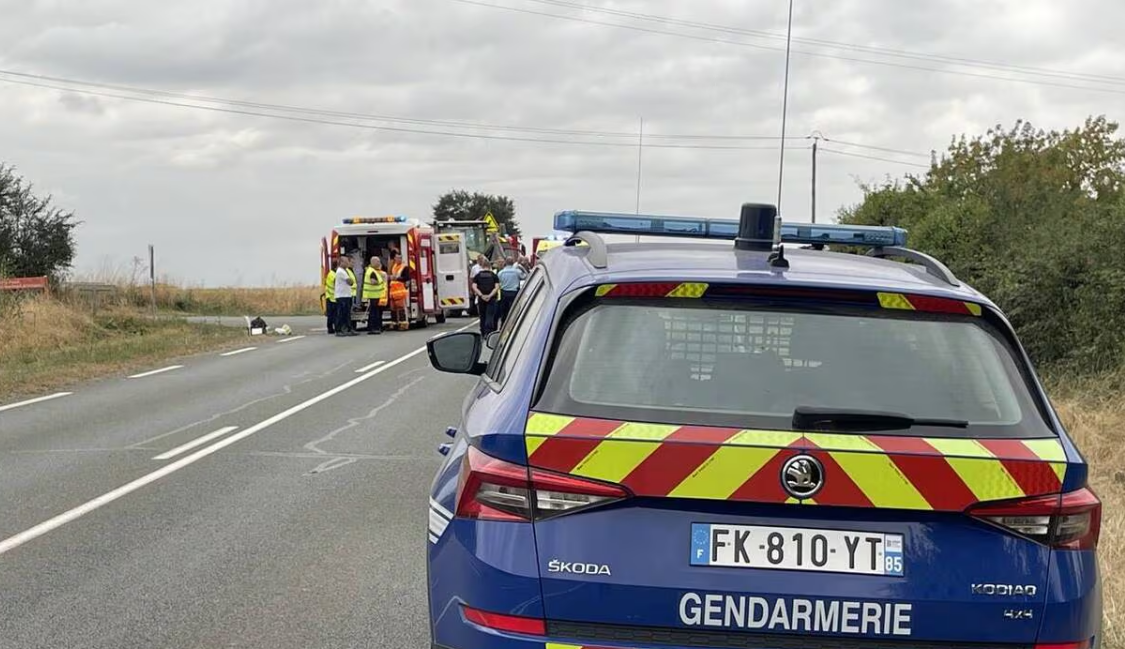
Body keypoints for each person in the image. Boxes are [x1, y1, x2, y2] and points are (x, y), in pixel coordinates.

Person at [472, 259, 500, 336]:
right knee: (490, 315)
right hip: (492, 298)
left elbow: (474, 287)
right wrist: (490, 295)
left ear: (482, 266)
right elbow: (496, 287)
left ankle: (483, 331)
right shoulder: (494, 275)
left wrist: (481, 295)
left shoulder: (477, 276)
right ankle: (489, 332)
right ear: (489, 266)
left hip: (481, 299)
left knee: (482, 315)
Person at [496, 256, 526, 328]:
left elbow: (498, 282)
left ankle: (503, 326)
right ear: (513, 263)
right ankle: (513, 326)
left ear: (505, 263)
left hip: (504, 293)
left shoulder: (501, 273)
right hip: (514, 293)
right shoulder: (517, 272)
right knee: (514, 310)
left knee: (504, 311)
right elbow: (525, 276)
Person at [334, 255, 358, 336]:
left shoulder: (345, 271)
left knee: (347, 314)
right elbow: (350, 282)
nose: (348, 263)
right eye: (346, 262)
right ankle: (338, 330)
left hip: (346, 295)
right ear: (341, 262)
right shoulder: (341, 271)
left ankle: (348, 329)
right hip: (342, 296)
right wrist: (350, 280)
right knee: (341, 314)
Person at [363, 256, 388, 334]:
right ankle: (373, 328)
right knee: (374, 313)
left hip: (374, 295)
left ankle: (373, 327)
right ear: (373, 262)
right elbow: (373, 282)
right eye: (378, 262)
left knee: (374, 312)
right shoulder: (372, 272)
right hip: (373, 295)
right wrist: (381, 282)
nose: (379, 263)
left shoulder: (371, 270)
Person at [388, 251, 410, 331]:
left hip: (400, 292)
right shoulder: (393, 266)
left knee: (401, 309)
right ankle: (394, 324)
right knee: (393, 309)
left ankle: (403, 324)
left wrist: (396, 278)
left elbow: (407, 278)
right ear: (394, 258)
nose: (399, 259)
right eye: (398, 257)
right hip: (393, 292)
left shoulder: (404, 267)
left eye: (400, 257)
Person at [324, 257, 338, 334]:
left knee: (331, 314)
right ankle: (331, 328)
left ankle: (331, 328)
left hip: (330, 296)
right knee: (333, 314)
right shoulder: (333, 275)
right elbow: (337, 284)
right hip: (332, 297)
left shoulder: (331, 273)